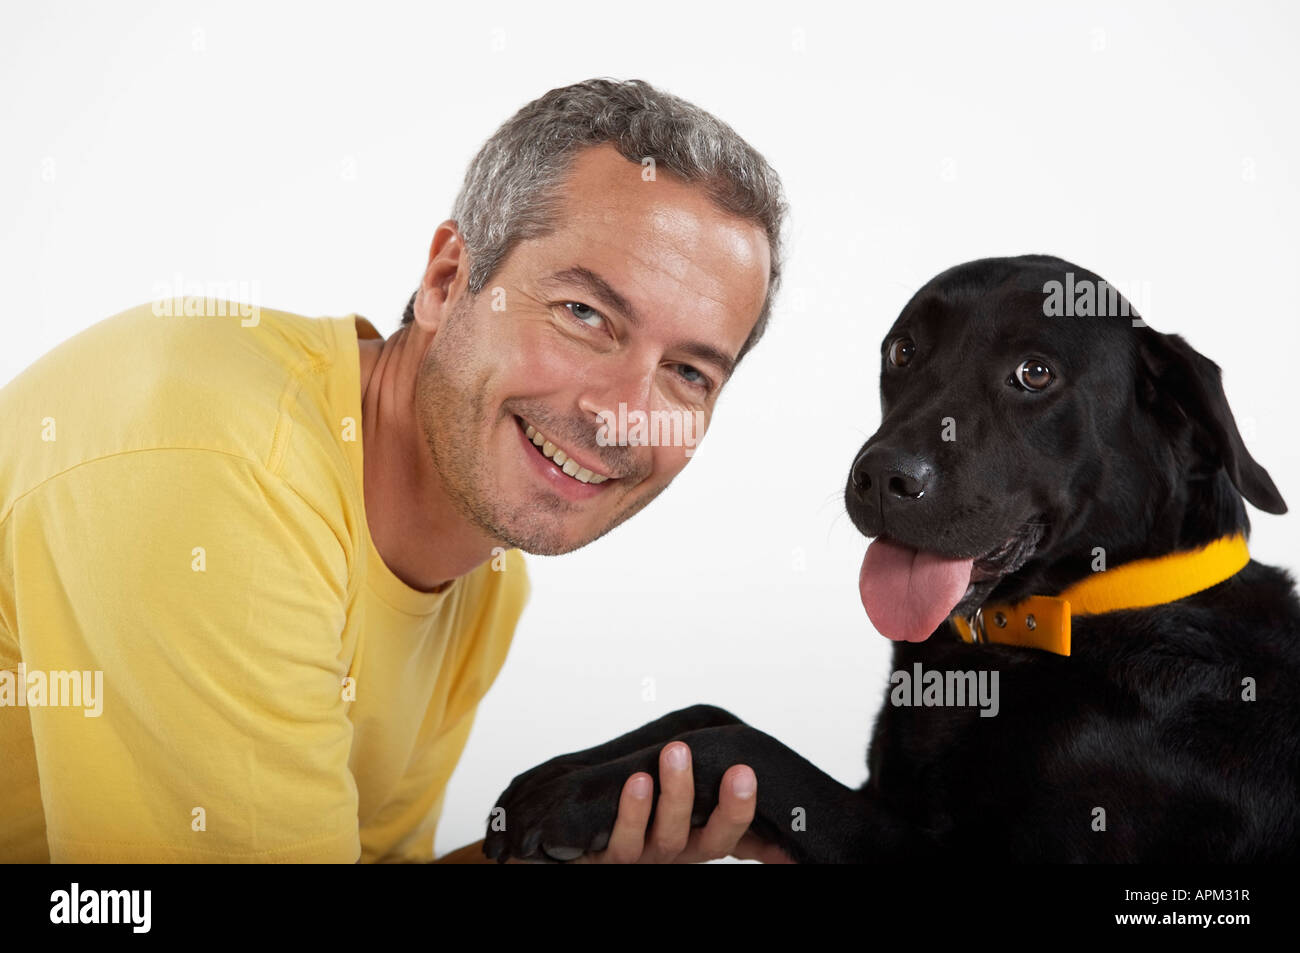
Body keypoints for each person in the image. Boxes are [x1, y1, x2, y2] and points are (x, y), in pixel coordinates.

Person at [0, 77, 791, 863]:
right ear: (448, 281)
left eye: (688, 373)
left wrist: (548, 849)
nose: (621, 411)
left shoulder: (482, 574)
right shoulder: (227, 474)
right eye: (585, 315)